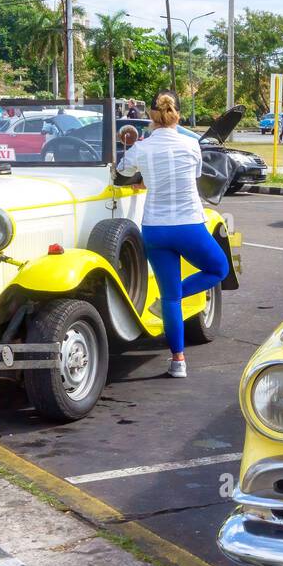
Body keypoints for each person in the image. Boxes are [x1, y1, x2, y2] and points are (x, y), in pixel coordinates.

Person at [115, 92, 228, 379]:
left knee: (170, 296)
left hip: (155, 228)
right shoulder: (192, 145)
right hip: (189, 224)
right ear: (176, 115)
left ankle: (178, 361)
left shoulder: (142, 148)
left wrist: (142, 179)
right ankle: (174, 297)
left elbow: (121, 170)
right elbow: (192, 175)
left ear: (152, 116)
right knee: (218, 268)